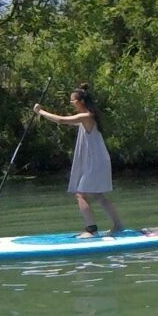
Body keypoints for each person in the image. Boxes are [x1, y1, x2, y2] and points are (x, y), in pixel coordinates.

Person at [34, 84, 125, 238]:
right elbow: (63, 121)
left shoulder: (87, 116)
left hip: (96, 162)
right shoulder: (86, 118)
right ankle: (119, 225)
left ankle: (92, 230)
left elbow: (61, 120)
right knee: (99, 195)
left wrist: (40, 111)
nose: (72, 104)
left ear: (81, 101)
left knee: (81, 194)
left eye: (73, 101)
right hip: (98, 161)